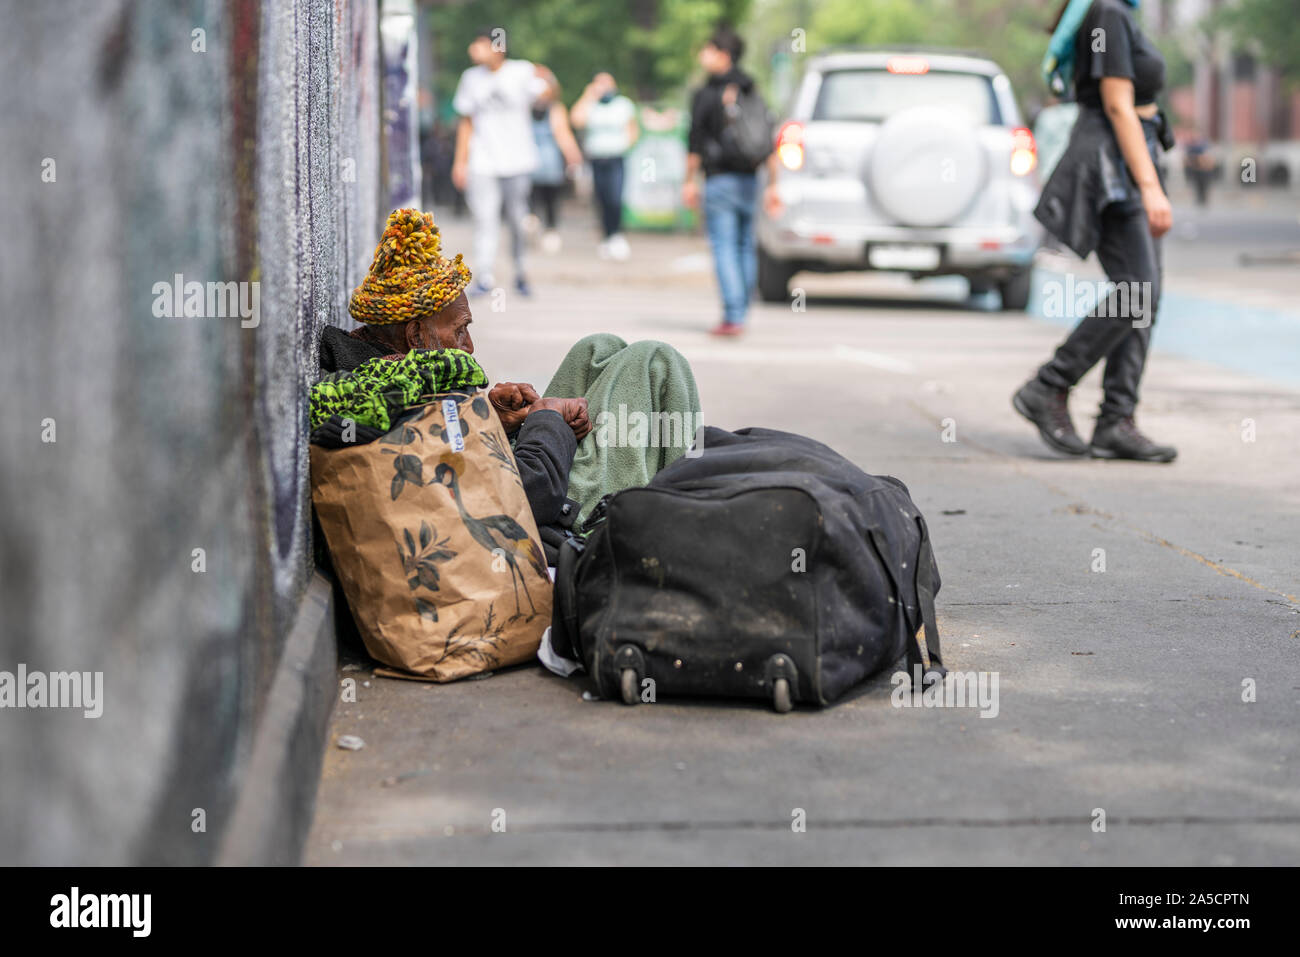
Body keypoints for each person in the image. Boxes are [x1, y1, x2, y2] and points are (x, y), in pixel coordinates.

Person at [319, 208, 701, 560]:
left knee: (597, 350)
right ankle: (676, 535)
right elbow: (519, 496)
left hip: (523, 485)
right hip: (542, 523)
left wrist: (489, 417)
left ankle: (668, 508)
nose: (470, 346)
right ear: (417, 336)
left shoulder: (391, 374)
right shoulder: (393, 393)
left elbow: (456, 454)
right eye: (461, 330)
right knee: (655, 361)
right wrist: (546, 421)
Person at [1015, 0, 1177, 462]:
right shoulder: (1108, 12)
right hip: (1111, 166)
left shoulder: (1116, 11)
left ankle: (1116, 421)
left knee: (1147, 295)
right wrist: (1149, 186)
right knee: (1138, 292)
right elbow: (1116, 104)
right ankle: (1048, 385)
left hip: (1128, 160)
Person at [682, 25, 781, 337]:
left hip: (720, 179)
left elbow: (695, 141)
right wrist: (774, 184)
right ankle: (742, 312)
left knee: (724, 246)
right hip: (751, 179)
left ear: (723, 55)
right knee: (744, 246)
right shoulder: (752, 88)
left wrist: (689, 181)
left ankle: (733, 315)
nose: (702, 56)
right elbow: (767, 138)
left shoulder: (707, 93)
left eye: (707, 50)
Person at [451, 26, 559, 297]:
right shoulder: (470, 78)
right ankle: (484, 276)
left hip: (518, 161)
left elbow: (547, 96)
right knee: (484, 219)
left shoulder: (521, 71)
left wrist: (547, 78)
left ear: (496, 46)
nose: (472, 50)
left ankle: (521, 273)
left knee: (516, 219)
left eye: (479, 44)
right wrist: (460, 162)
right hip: (483, 161)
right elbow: (466, 122)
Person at [571, 72, 640, 261]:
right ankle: (606, 236)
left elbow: (632, 130)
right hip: (596, 159)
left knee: (615, 197)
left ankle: (617, 234)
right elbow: (576, 119)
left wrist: (625, 145)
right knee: (601, 199)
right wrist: (588, 96)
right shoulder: (591, 105)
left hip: (616, 158)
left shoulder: (623, 105)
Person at [529, 85, 584, 255]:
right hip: (527, 162)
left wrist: (573, 156)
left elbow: (563, 135)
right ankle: (534, 225)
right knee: (530, 197)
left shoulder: (555, 110)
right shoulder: (522, 108)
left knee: (550, 199)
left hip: (549, 163)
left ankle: (550, 230)